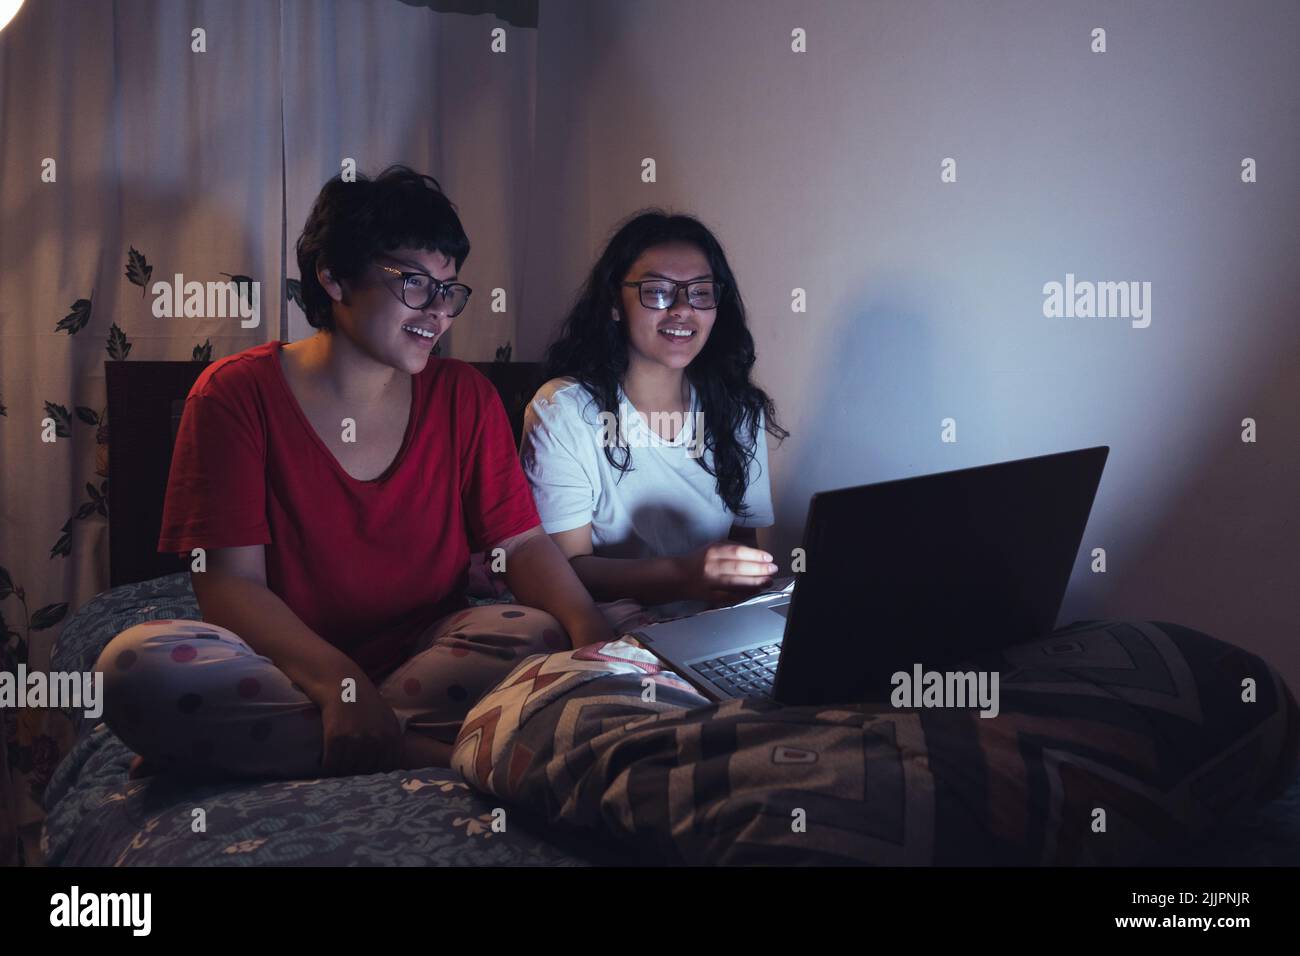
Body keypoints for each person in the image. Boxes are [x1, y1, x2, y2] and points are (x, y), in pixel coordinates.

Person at [96, 165, 614, 780]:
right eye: (415, 283)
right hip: (282, 663)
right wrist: (340, 683)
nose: (438, 312)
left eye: (450, 290)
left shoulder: (463, 396)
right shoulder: (235, 395)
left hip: (431, 652)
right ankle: (424, 750)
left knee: (537, 633)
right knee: (132, 668)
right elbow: (229, 586)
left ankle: (277, 745)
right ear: (334, 278)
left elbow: (522, 543)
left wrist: (593, 635)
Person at [520, 210, 788, 633]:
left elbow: (742, 548)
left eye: (701, 293)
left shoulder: (738, 410)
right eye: (658, 291)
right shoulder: (564, 411)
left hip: (712, 623)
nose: (682, 310)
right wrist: (683, 576)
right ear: (613, 304)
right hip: (605, 622)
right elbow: (566, 573)